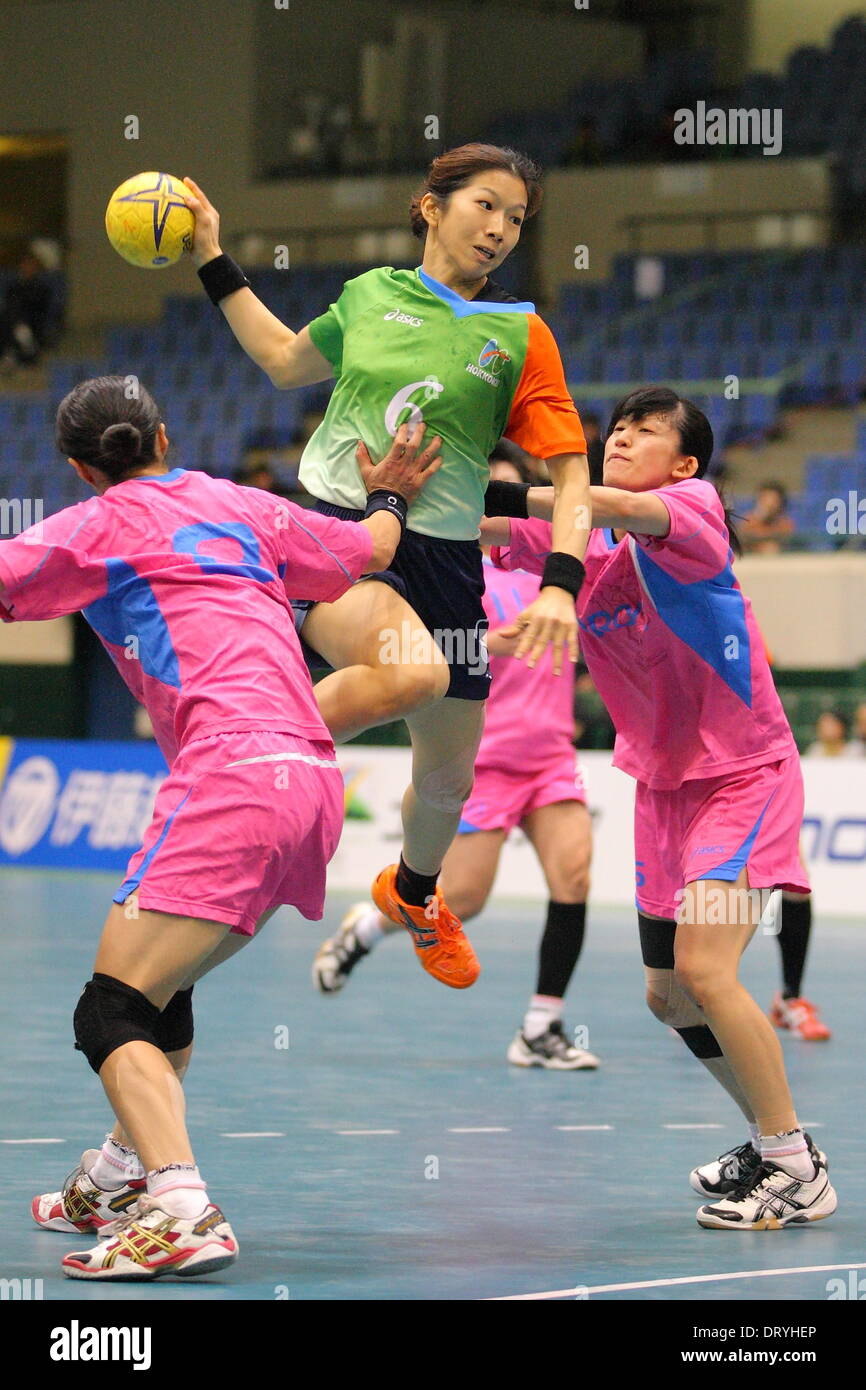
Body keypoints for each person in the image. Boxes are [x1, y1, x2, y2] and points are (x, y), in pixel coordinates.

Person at [3, 375, 438, 1280]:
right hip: (312, 779)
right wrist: (391, 488)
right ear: (165, 434)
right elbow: (367, 546)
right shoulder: (242, 506)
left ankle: (180, 1204)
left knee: (110, 1010)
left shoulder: (91, 527)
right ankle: (122, 1171)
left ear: (82, 468)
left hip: (229, 780)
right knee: (159, 990)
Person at [181, 144, 590, 992]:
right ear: (432, 206)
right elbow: (285, 360)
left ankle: (412, 890)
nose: (502, 229)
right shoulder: (370, 295)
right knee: (410, 673)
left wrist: (560, 583)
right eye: (487, 205)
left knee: (447, 779)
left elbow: (572, 475)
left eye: (517, 219)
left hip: (445, 560)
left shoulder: (518, 334)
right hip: (337, 530)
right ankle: (239, 754)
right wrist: (211, 257)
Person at [482, 385, 836, 1230]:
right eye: (616, 428)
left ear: (682, 462)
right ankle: (774, 1138)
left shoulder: (693, 511)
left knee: (710, 973)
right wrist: (402, 492)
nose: (621, 437)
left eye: (644, 431)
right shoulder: (588, 547)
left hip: (743, 775)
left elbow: (590, 501)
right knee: (670, 996)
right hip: (662, 791)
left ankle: (795, 1167)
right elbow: (494, 528)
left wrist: (506, 489)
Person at [313, 451, 597, 1070]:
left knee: (573, 876)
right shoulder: (457, 579)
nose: (495, 503)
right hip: (486, 754)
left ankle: (540, 1027)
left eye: (506, 492)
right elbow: (440, 660)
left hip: (550, 753)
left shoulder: (556, 572)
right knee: (461, 898)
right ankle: (364, 928)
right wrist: (504, 638)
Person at [739, 481, 795, 554]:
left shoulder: (785, 523)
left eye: (774, 501)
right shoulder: (748, 522)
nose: (769, 505)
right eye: (765, 500)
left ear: (780, 503)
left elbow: (788, 542)